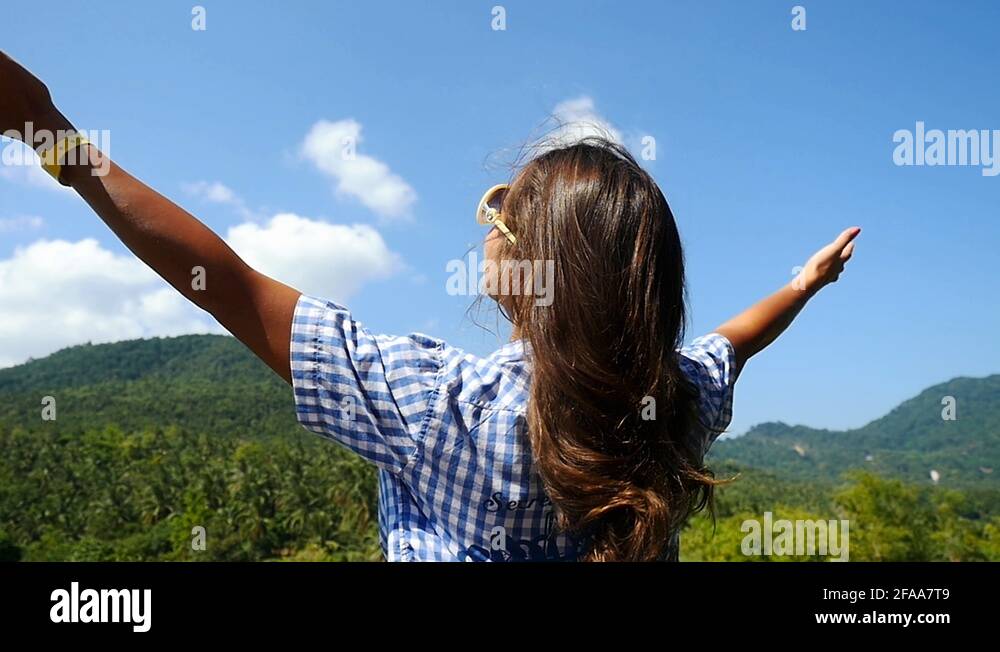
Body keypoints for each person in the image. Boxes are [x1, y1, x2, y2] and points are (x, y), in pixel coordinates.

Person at [0, 51, 859, 561]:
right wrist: (805, 286)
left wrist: (49, 128)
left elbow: (223, 280)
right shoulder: (674, 406)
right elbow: (735, 343)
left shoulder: (435, 405)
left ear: (525, 267)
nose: (483, 218)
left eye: (497, 206)